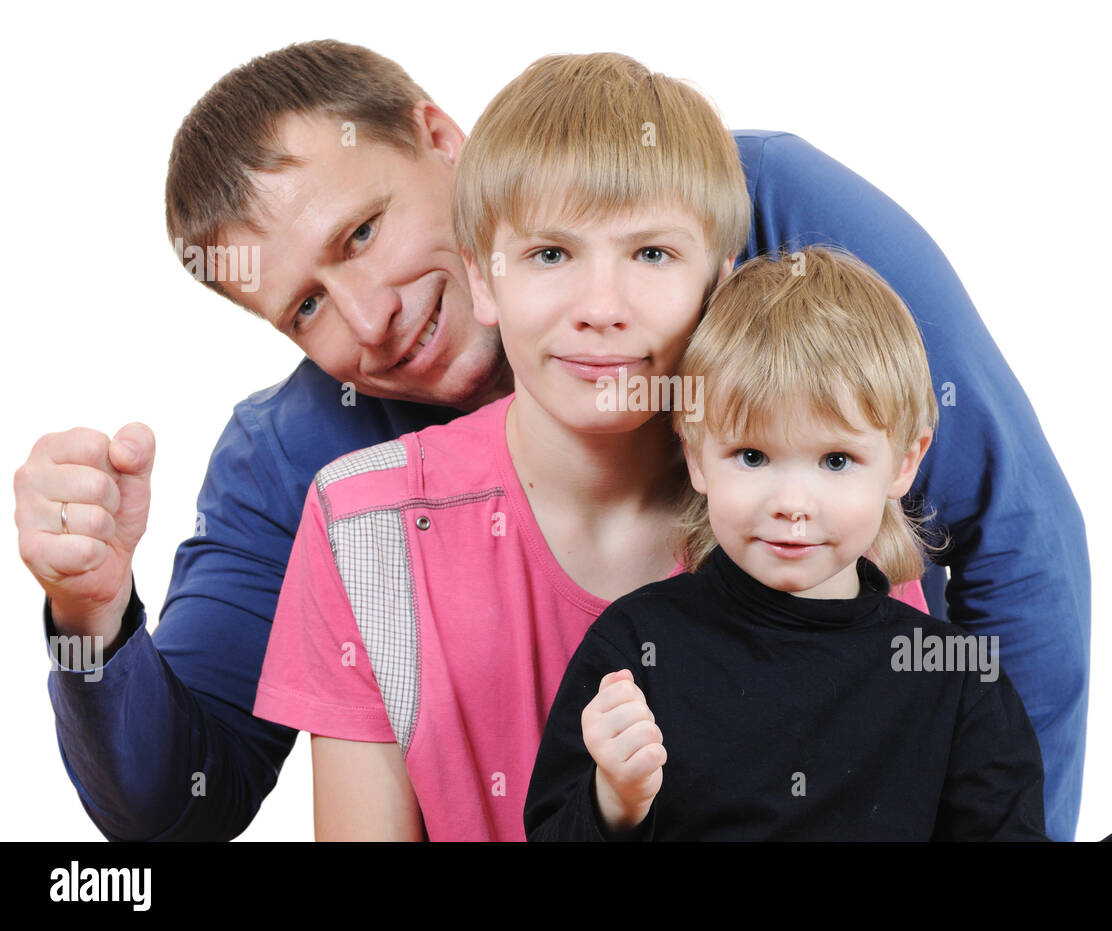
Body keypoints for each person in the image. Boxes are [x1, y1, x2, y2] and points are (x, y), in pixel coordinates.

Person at [16, 40, 1089, 840]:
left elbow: (1009, 532)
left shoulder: (772, 214)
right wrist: (86, 617)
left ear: (442, 140)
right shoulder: (309, 474)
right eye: (304, 306)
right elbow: (171, 805)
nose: (370, 315)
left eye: (363, 232)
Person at [253, 53, 929, 840]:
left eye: (651, 254)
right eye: (549, 254)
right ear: (481, 278)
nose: (600, 308)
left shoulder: (816, 506)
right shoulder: (361, 524)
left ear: (720, 282)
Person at [524, 248, 1112, 842]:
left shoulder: (958, 684)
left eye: (836, 461)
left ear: (904, 460)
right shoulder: (636, 646)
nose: (793, 504)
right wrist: (613, 801)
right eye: (751, 454)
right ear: (697, 454)